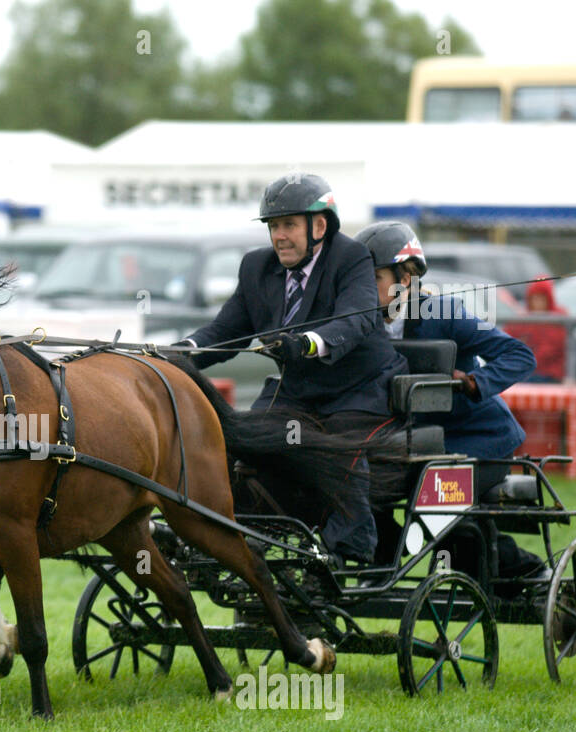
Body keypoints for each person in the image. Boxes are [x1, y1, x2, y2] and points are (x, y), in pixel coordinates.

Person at [175, 173, 408, 564]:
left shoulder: (351, 259)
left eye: (288, 225)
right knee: (238, 439)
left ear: (319, 225)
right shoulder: (255, 267)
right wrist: (183, 353)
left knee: (334, 444)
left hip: (360, 391)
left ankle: (352, 544)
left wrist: (308, 343)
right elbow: (226, 330)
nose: (279, 236)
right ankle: (243, 531)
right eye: (273, 226)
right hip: (297, 394)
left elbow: (355, 320)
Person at [354, 220, 546, 581]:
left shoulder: (445, 313)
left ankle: (531, 573)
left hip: (478, 443)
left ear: (405, 279)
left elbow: (520, 356)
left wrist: (475, 382)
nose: (362, 290)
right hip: (415, 447)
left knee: (447, 524)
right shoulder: (362, 326)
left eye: (373, 279)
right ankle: (383, 563)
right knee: (358, 484)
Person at [504, 278, 568, 383]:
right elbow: (506, 341)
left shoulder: (558, 320)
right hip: (524, 371)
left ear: (549, 299)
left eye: (541, 298)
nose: (537, 303)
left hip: (548, 375)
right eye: (534, 298)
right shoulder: (523, 320)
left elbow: (548, 352)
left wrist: (525, 356)